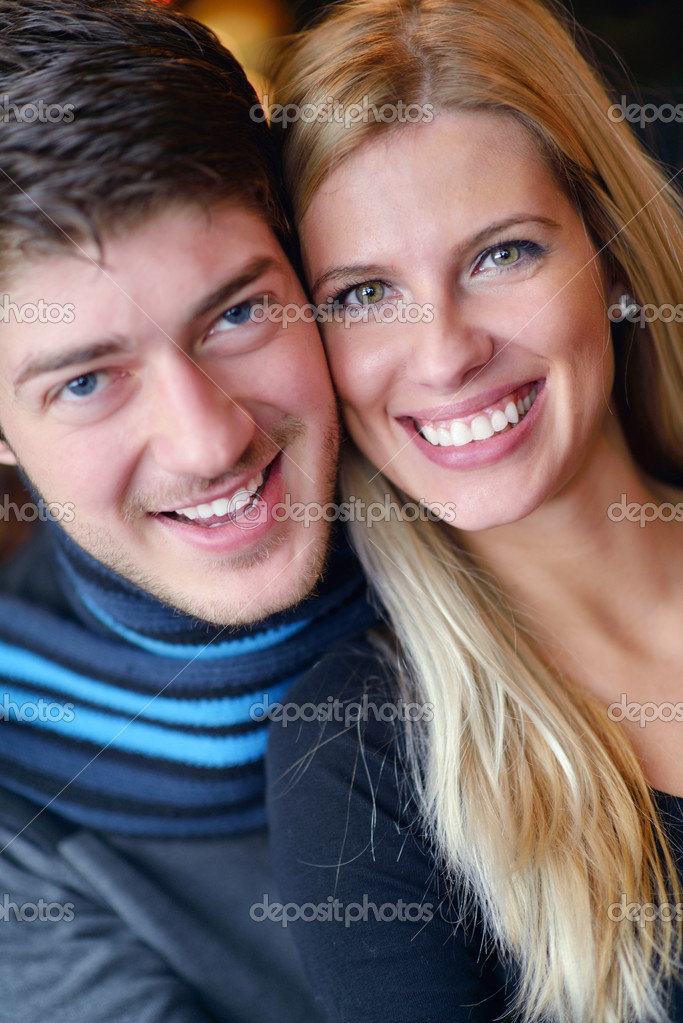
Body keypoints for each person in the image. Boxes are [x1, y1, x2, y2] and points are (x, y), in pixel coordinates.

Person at [264, 0, 683, 1020]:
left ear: (613, 261)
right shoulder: (357, 755)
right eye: (362, 294)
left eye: (500, 255)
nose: (445, 352)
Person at [0, 1, 376, 1020]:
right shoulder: (20, 836)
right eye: (86, 382)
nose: (208, 441)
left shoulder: (522, 525)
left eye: (238, 314)